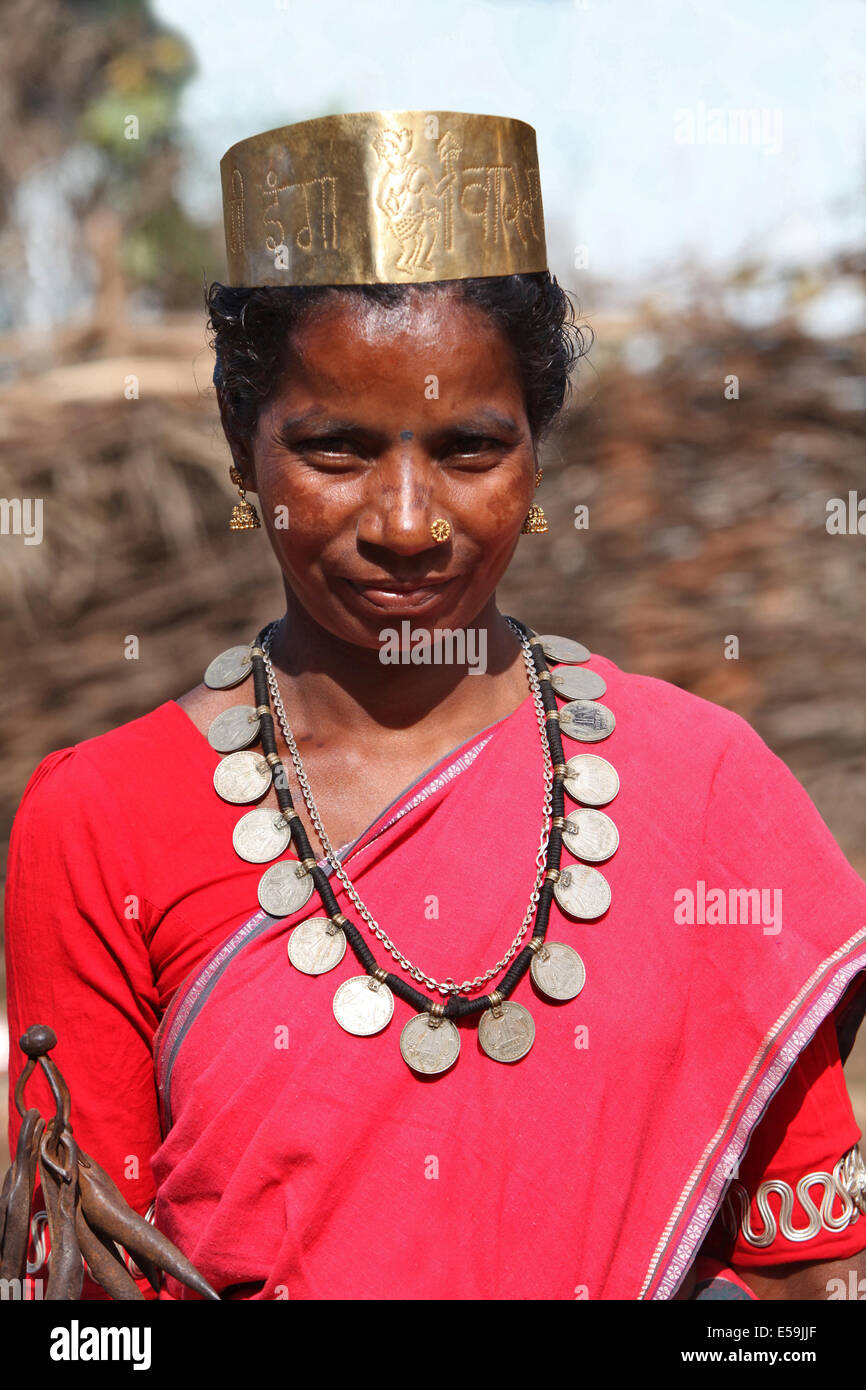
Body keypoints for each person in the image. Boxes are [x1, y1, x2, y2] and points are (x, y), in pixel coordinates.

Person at [5, 110, 866, 1302]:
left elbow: (810, 1278)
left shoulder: (702, 785)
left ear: (537, 450)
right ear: (238, 444)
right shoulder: (103, 819)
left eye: (468, 447)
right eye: (336, 449)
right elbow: (79, 1305)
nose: (407, 522)